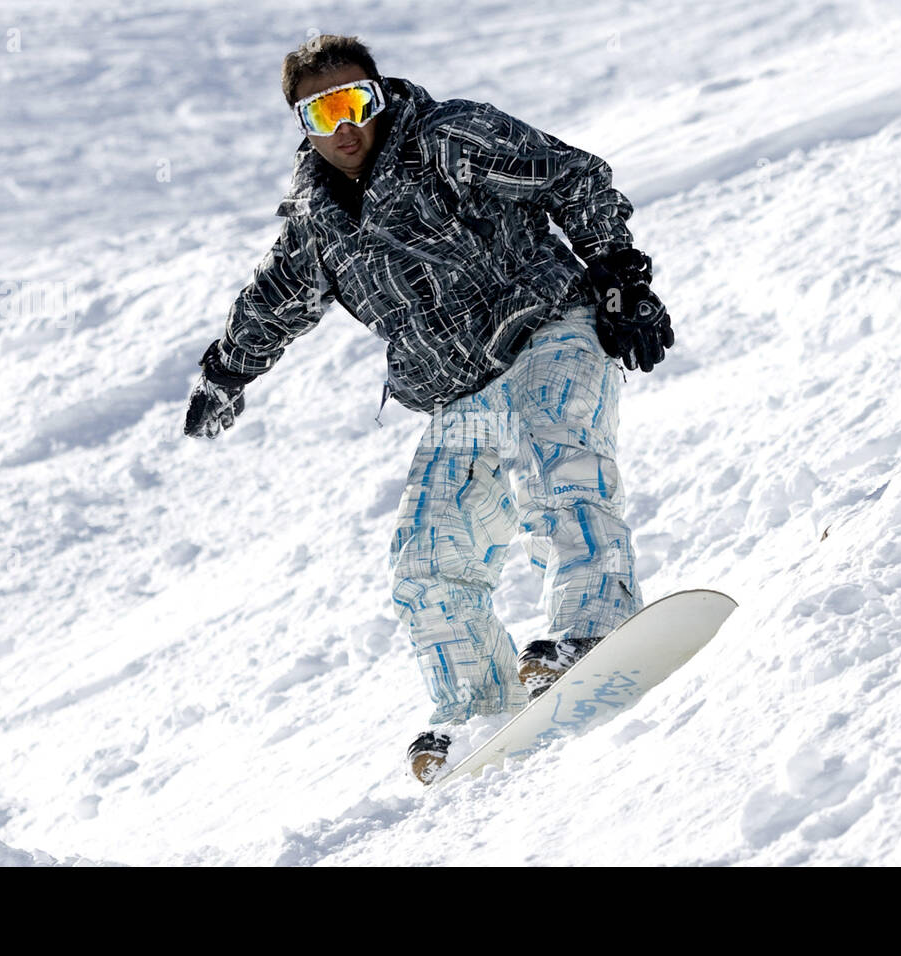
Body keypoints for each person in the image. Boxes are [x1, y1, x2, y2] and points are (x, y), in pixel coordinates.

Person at [184, 35, 674, 783]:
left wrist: (619, 275)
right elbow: (273, 302)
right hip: (461, 390)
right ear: (302, 123)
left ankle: (595, 627)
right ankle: (483, 703)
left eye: (358, 101)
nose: (346, 125)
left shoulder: (450, 139)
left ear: (379, 95)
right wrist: (225, 372)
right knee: (426, 557)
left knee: (559, 464)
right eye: (324, 111)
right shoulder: (319, 224)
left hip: (548, 326)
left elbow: (574, 177)